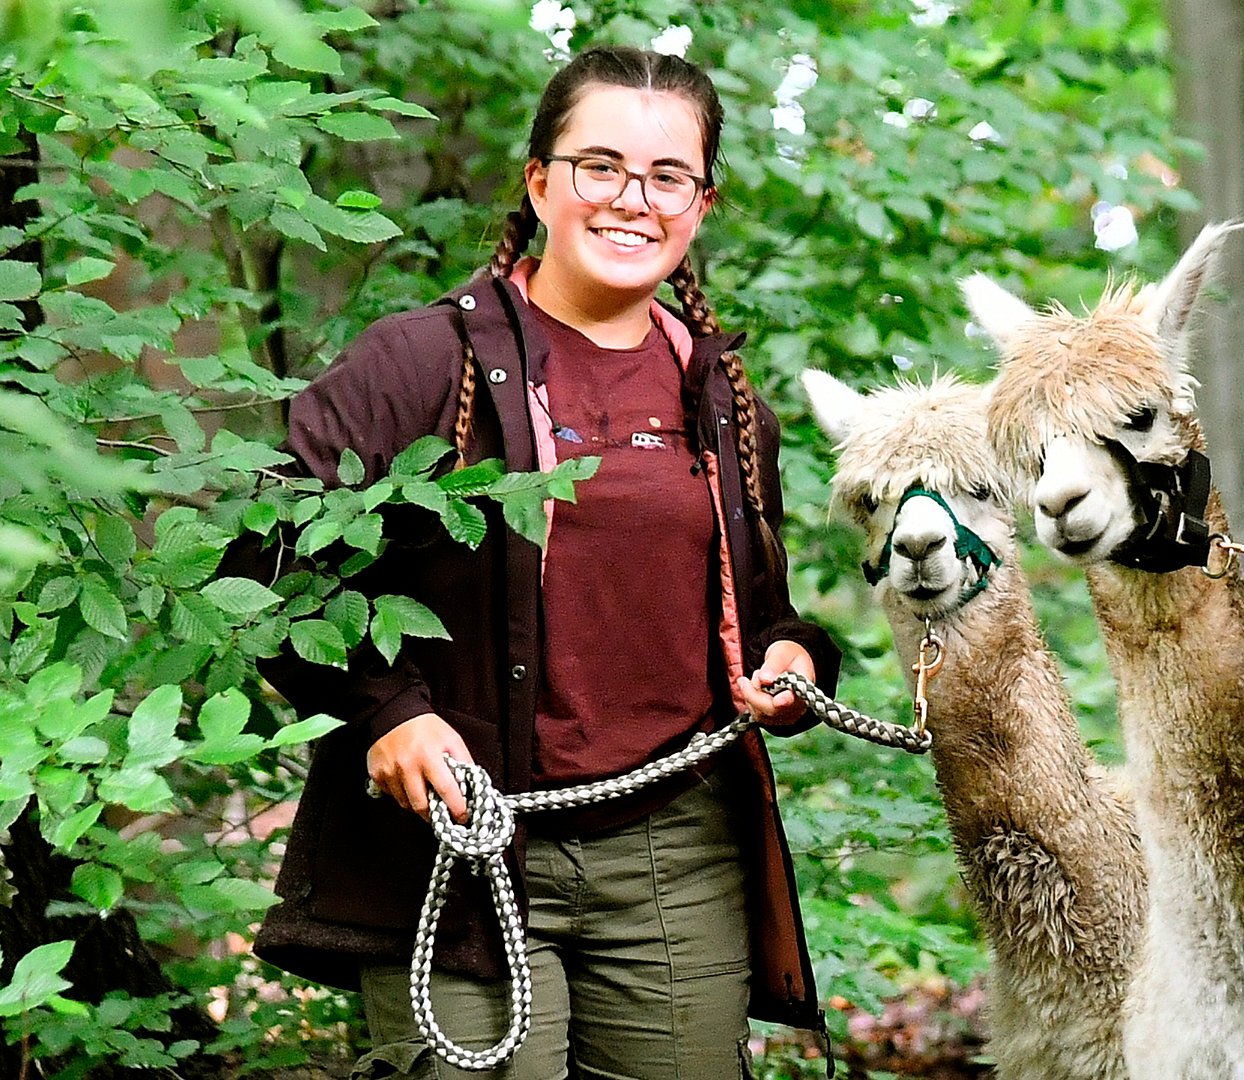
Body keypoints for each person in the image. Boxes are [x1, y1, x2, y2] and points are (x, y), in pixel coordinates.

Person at [229, 46, 841, 1080]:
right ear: (539, 181)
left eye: (667, 177)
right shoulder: (418, 364)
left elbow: (764, 612)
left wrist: (795, 659)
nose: (632, 200)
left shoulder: (726, 402)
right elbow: (265, 564)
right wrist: (386, 711)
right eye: (600, 166)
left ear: (701, 204)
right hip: (457, 840)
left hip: (675, 852)